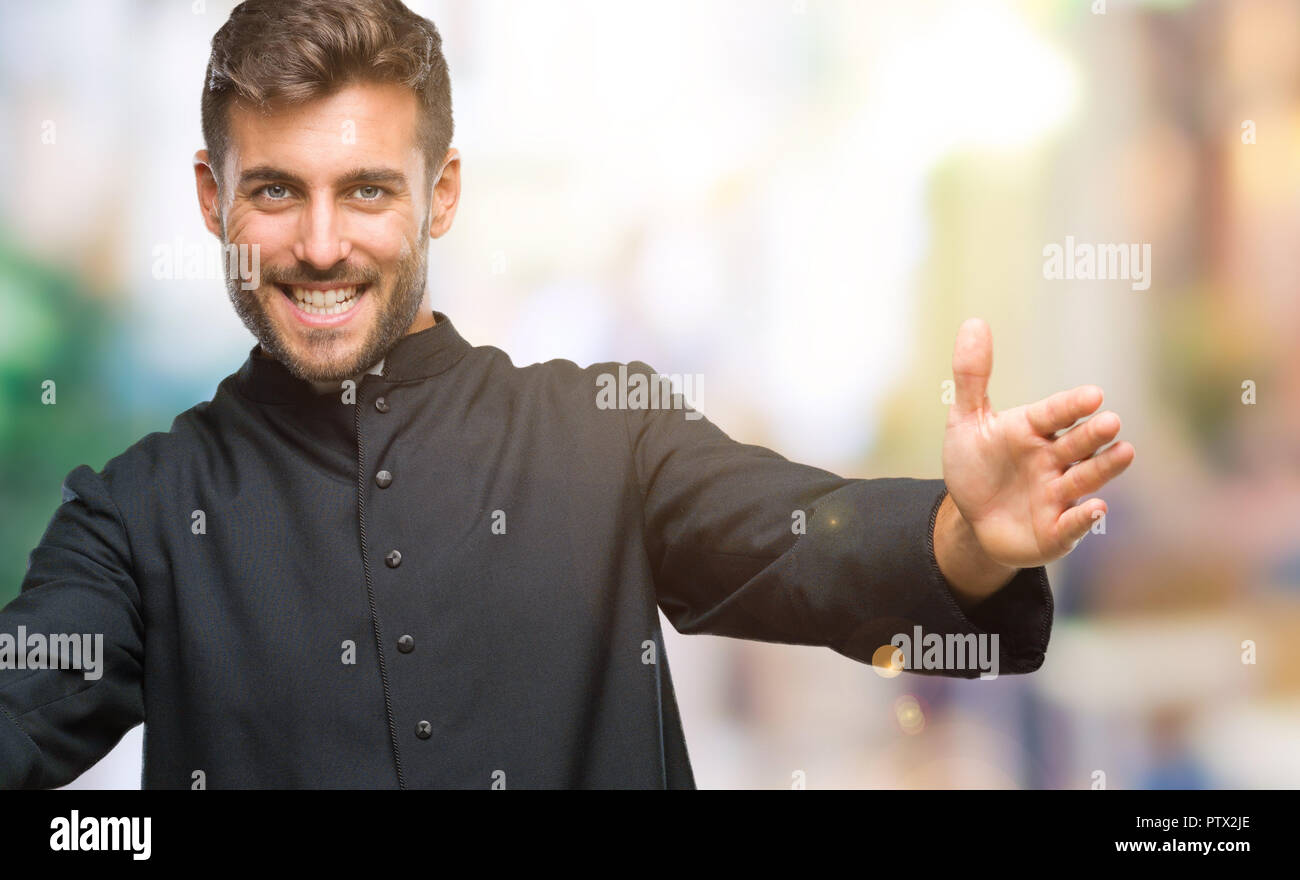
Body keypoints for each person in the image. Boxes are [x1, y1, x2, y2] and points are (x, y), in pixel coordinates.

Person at [0, 0, 1133, 789]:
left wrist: (959, 536)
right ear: (212, 198)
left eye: (367, 189)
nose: (321, 242)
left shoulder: (603, 435)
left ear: (441, 196)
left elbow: (806, 547)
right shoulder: (136, 516)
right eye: (277, 192)